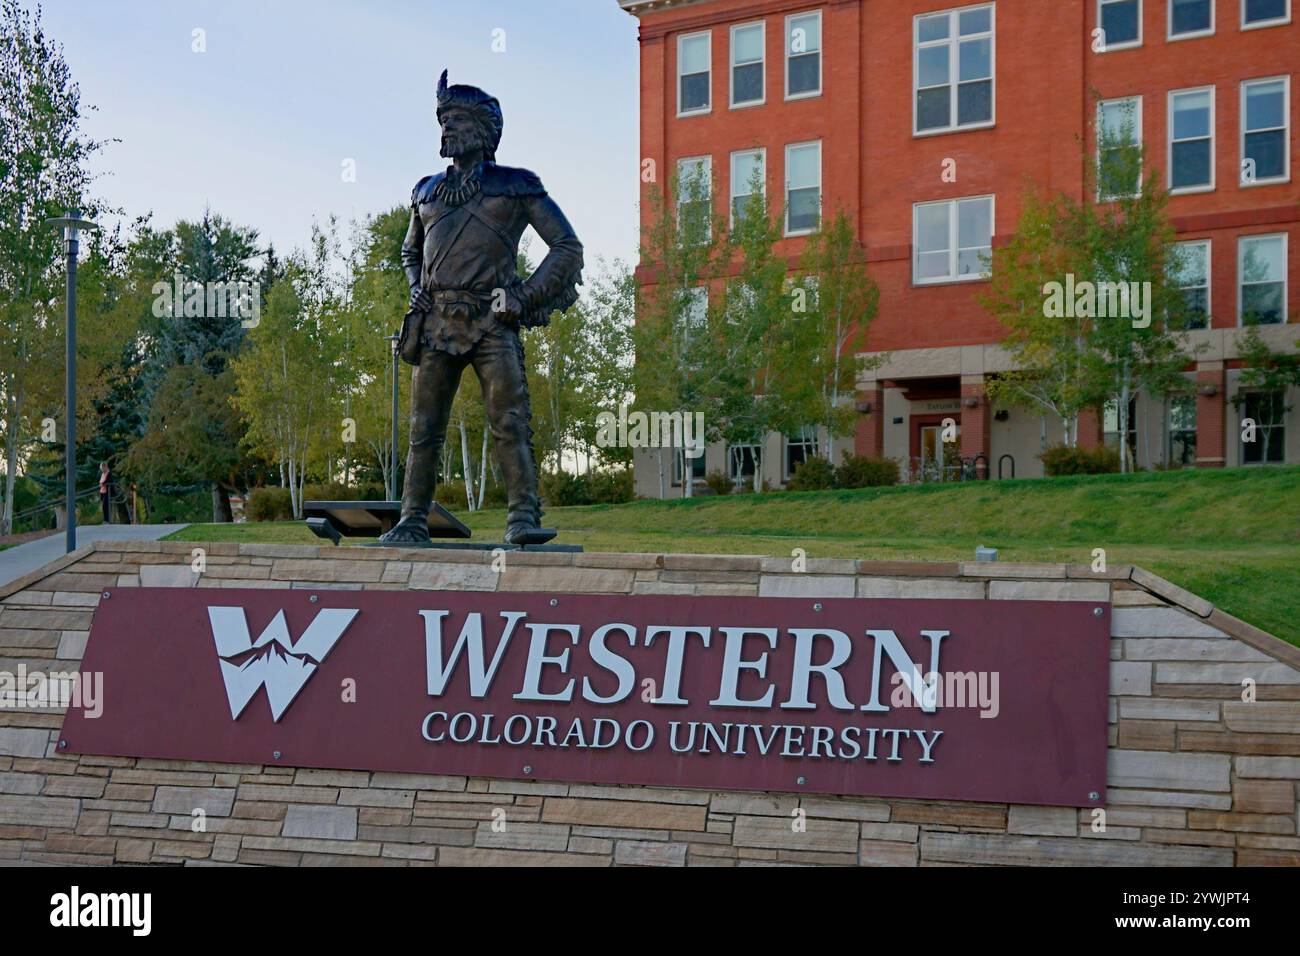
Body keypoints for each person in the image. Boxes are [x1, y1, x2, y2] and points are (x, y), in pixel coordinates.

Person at [377, 70, 583, 547]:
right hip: (435, 323)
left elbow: (566, 246)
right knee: (423, 429)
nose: (446, 129)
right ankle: (412, 519)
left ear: (483, 130)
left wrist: (523, 295)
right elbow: (411, 251)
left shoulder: (517, 185)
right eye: (442, 120)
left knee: (510, 422)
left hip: (493, 322)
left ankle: (523, 519)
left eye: (455, 120)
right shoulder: (425, 191)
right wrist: (415, 289)